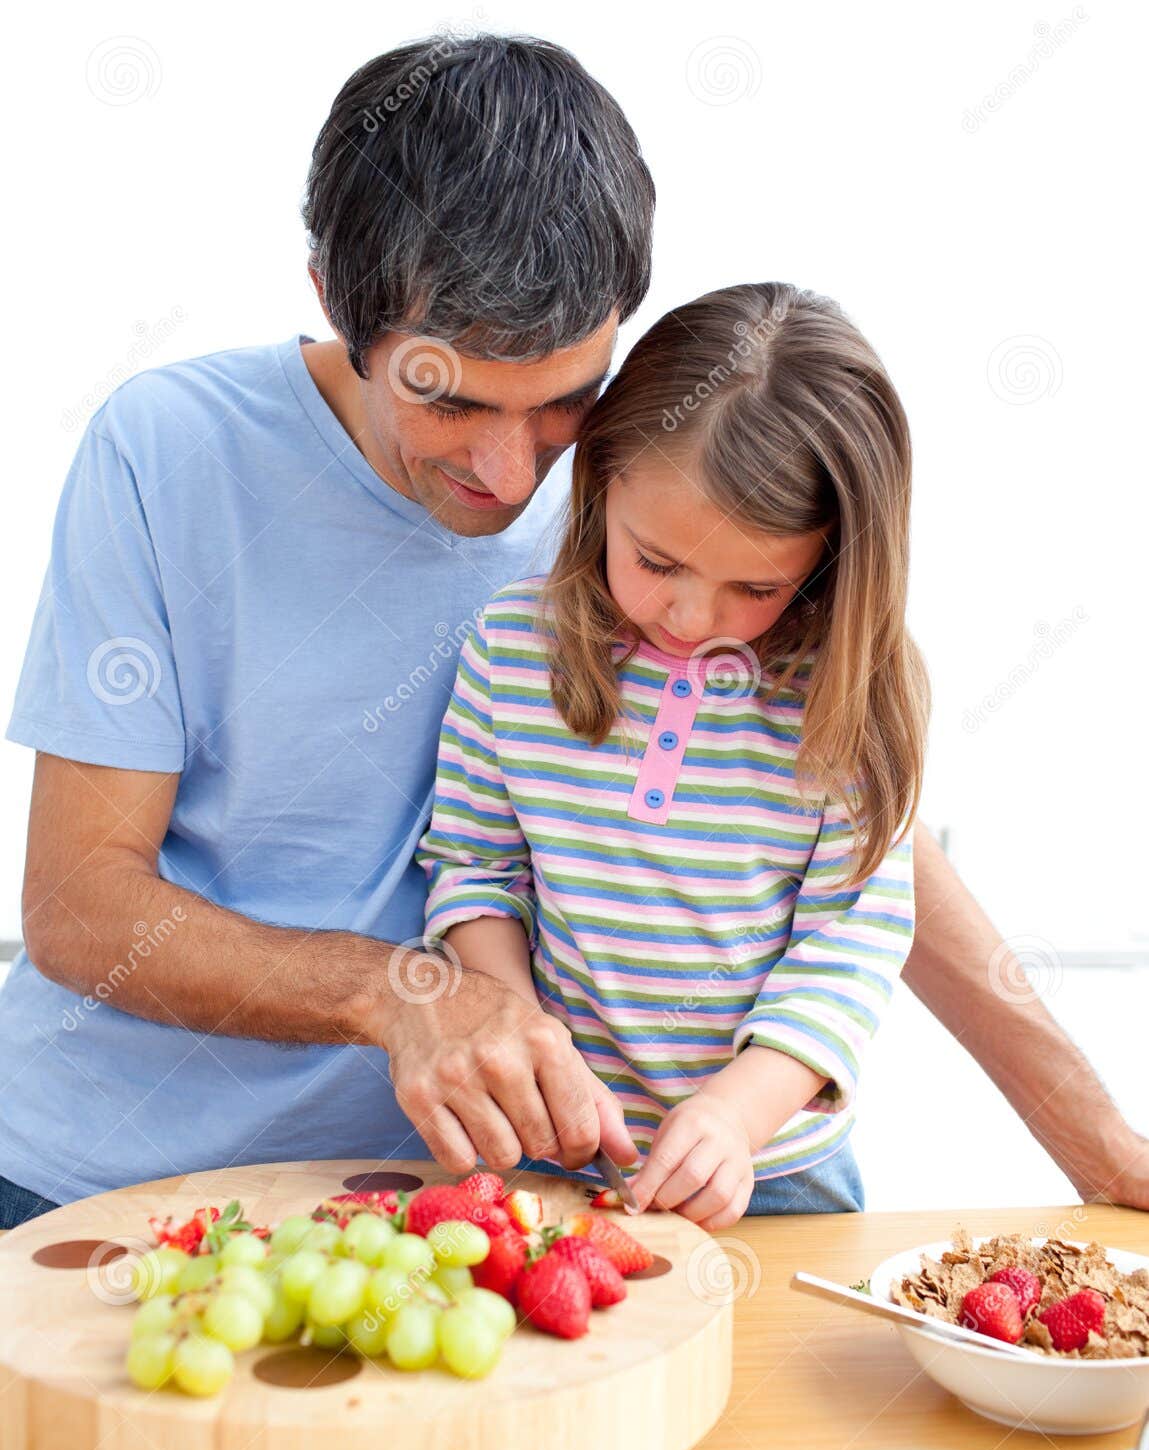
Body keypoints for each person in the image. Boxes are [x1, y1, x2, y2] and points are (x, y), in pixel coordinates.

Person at [0, 35, 1144, 1230]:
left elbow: (850, 822)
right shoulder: (165, 451)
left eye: (563, 399)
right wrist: (399, 992)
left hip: (464, 1209)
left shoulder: (648, 495)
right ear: (335, 300)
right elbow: (81, 903)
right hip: (107, 1178)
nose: (510, 470)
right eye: (449, 399)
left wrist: (1096, 1136)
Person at [417, 283, 925, 1226]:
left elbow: (846, 947)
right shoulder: (510, 649)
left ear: (829, 559)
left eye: (754, 586)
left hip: (771, 1175)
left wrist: (735, 1117)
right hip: (547, 1151)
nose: (692, 617)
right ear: (599, 481)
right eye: (655, 562)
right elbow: (475, 869)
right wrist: (518, 1028)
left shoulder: (843, 698)